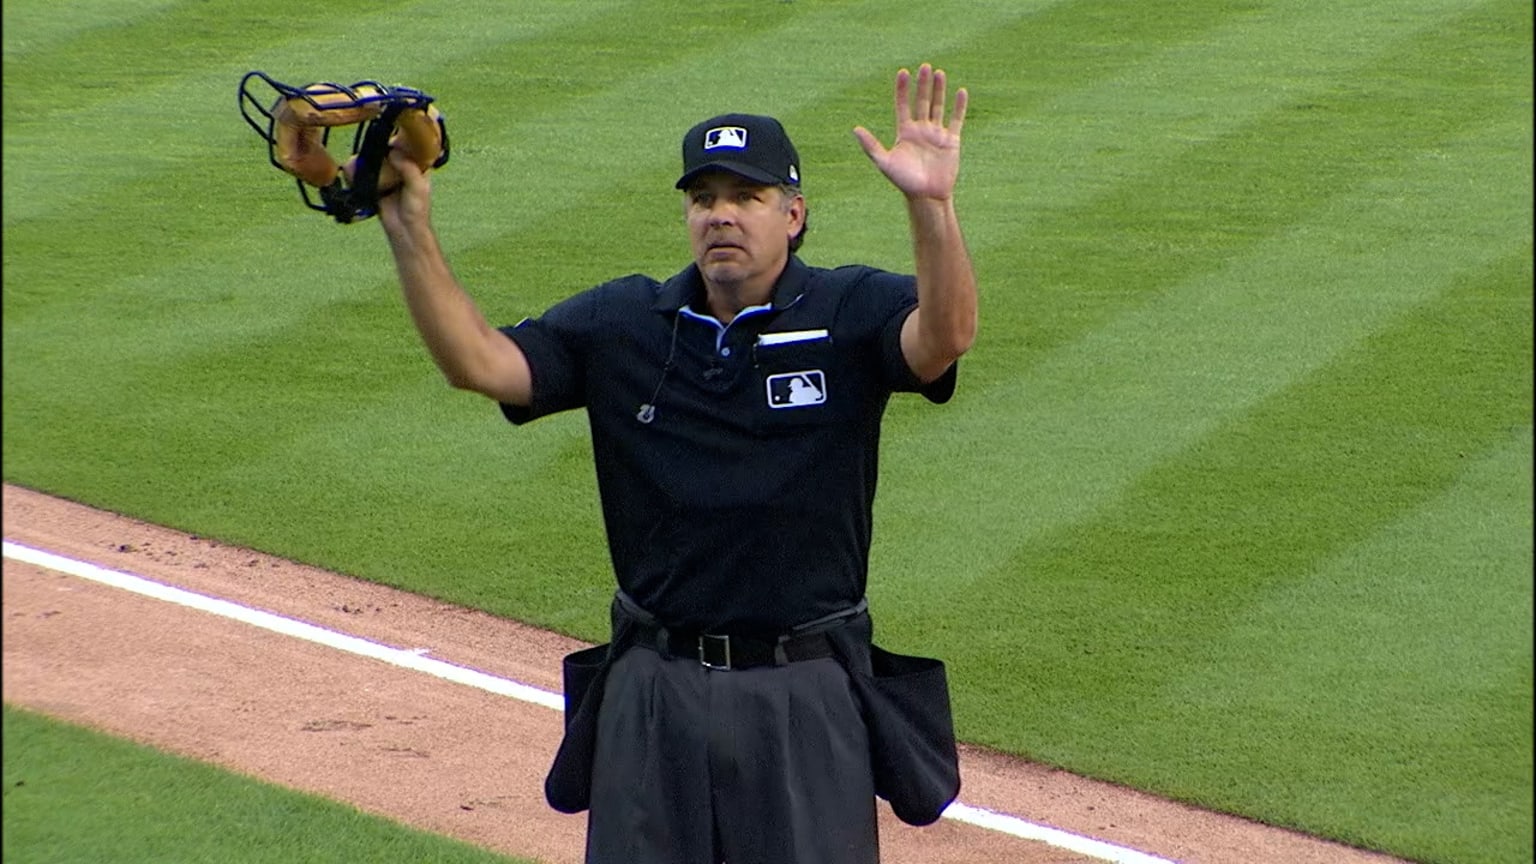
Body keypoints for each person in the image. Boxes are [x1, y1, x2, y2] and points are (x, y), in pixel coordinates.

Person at [377, 62, 976, 864]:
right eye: (703, 198)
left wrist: (931, 206)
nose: (721, 216)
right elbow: (480, 364)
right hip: (653, 690)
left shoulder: (849, 311)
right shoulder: (624, 322)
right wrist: (406, 222)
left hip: (803, 690)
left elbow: (943, 339)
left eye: (746, 197)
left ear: (794, 214)